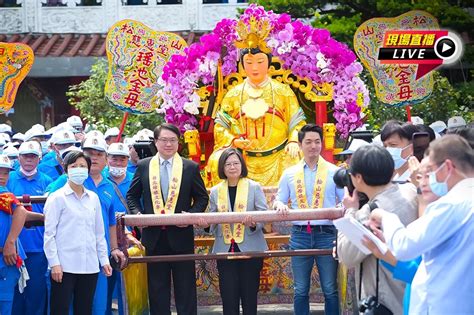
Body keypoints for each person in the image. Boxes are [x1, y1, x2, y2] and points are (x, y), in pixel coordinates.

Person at [369, 135, 474, 314]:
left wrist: (386, 217)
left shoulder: (450, 204)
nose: (426, 181)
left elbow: (404, 246)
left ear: (448, 167)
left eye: (430, 172)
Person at [207, 27, 306, 187]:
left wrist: (294, 141)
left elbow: (298, 123)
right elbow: (220, 127)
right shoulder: (233, 94)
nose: (254, 68)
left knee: (296, 155)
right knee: (216, 160)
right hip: (241, 157)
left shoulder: (283, 92)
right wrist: (234, 141)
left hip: (279, 155)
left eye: (260, 62)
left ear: (269, 63)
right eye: (249, 62)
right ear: (242, 64)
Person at [127, 123, 209, 315]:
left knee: (186, 290)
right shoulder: (144, 165)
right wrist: (138, 215)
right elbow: (132, 196)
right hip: (153, 238)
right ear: (156, 142)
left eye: (173, 140)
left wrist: (190, 215)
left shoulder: (189, 167)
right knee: (157, 290)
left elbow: (202, 197)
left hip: (181, 236)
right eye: (164, 140)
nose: (168, 144)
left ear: (178, 143)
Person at [336, 144, 418, 314]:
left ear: (358, 178)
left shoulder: (370, 214)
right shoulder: (411, 191)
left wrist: (351, 210)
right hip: (414, 295)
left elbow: (346, 255)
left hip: (387, 302)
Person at [273, 124, 343, 315]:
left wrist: (340, 208)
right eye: (308, 142)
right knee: (300, 289)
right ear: (301, 145)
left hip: (326, 234)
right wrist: (280, 205)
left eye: (317, 142)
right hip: (300, 235)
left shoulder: (334, 171)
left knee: (329, 288)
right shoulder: (289, 173)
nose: (313, 146)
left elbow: (345, 201)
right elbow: (279, 198)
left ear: (322, 144)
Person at [44, 151, 112, 315]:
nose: (79, 170)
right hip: (64, 265)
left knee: (85, 308)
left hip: (89, 265)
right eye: (74, 166)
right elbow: (49, 235)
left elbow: (99, 234)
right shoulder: (57, 198)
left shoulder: (93, 198)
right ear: (66, 169)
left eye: (83, 166)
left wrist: (104, 260)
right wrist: (54, 264)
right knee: (60, 308)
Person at [205, 148, 268, 315]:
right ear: (222, 168)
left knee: (249, 297)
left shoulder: (254, 187)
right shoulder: (216, 190)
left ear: (242, 165)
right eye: (228, 164)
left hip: (250, 248)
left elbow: (264, 214)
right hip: (225, 249)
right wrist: (205, 223)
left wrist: (254, 223)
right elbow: (211, 219)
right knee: (228, 297)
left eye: (236, 163)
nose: (232, 167)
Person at [6, 141, 53, 315]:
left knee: (36, 294)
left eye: (33, 156)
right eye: (25, 156)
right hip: (13, 246)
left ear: (39, 159)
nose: (29, 160)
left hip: (38, 246)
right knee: (14, 294)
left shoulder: (48, 181)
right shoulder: (8, 179)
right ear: (19, 158)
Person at [0, 154, 28, 315]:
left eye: (5, 173)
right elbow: (21, 211)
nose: (2, 176)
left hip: (4, 259)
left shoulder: (4, 194)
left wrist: (10, 242)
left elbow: (21, 211)